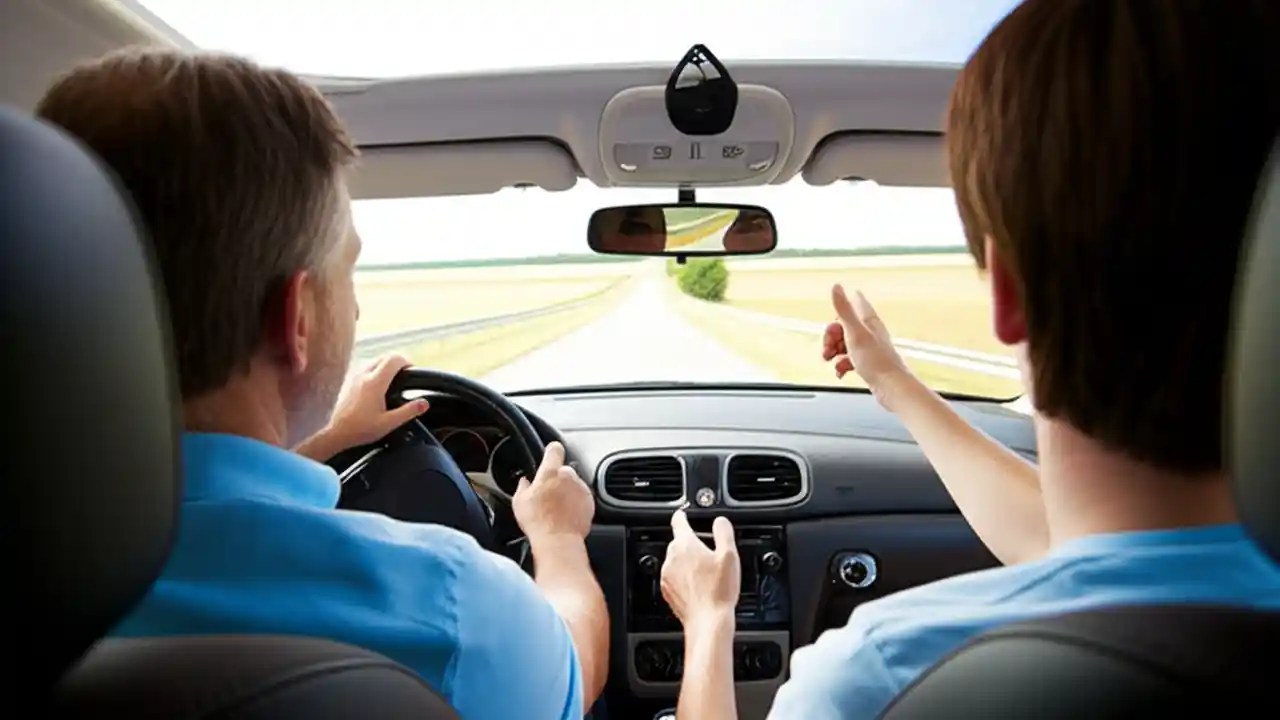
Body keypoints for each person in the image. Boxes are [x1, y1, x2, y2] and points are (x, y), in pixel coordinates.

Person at [660, 1, 1280, 717]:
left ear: (1009, 292)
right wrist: (894, 384)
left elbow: (1089, 556)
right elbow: (1085, 547)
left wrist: (709, 620)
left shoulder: (880, 677)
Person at [36, 49, 608, 720]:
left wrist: (333, 437)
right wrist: (558, 539)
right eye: (348, 271)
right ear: (298, 317)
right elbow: (579, 665)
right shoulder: (453, 610)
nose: (356, 307)